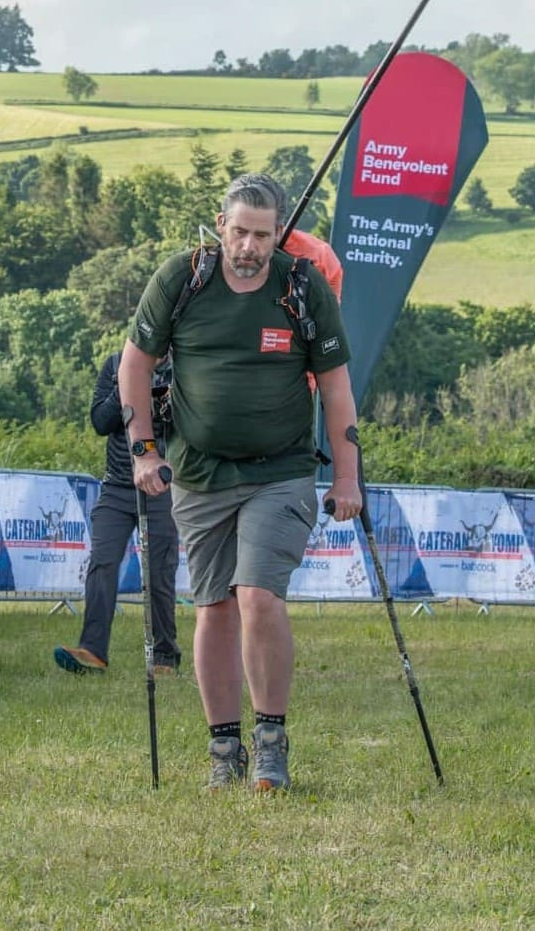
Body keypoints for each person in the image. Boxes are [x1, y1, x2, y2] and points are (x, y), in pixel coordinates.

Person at [118, 173, 362, 792]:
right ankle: (224, 748)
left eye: (263, 234)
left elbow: (335, 388)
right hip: (198, 473)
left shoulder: (302, 287)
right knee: (214, 608)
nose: (249, 246)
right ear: (220, 225)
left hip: (280, 471)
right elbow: (135, 366)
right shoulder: (182, 279)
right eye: (240, 232)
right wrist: (144, 452)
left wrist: (347, 476)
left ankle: (271, 739)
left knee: (257, 596)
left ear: (279, 233)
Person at [53, 353, 181, 677]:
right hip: (116, 486)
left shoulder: (186, 363)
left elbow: (194, 424)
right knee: (102, 562)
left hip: (162, 484)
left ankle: (165, 656)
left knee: (159, 571)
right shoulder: (115, 364)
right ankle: (93, 651)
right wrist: (128, 383)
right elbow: (100, 422)